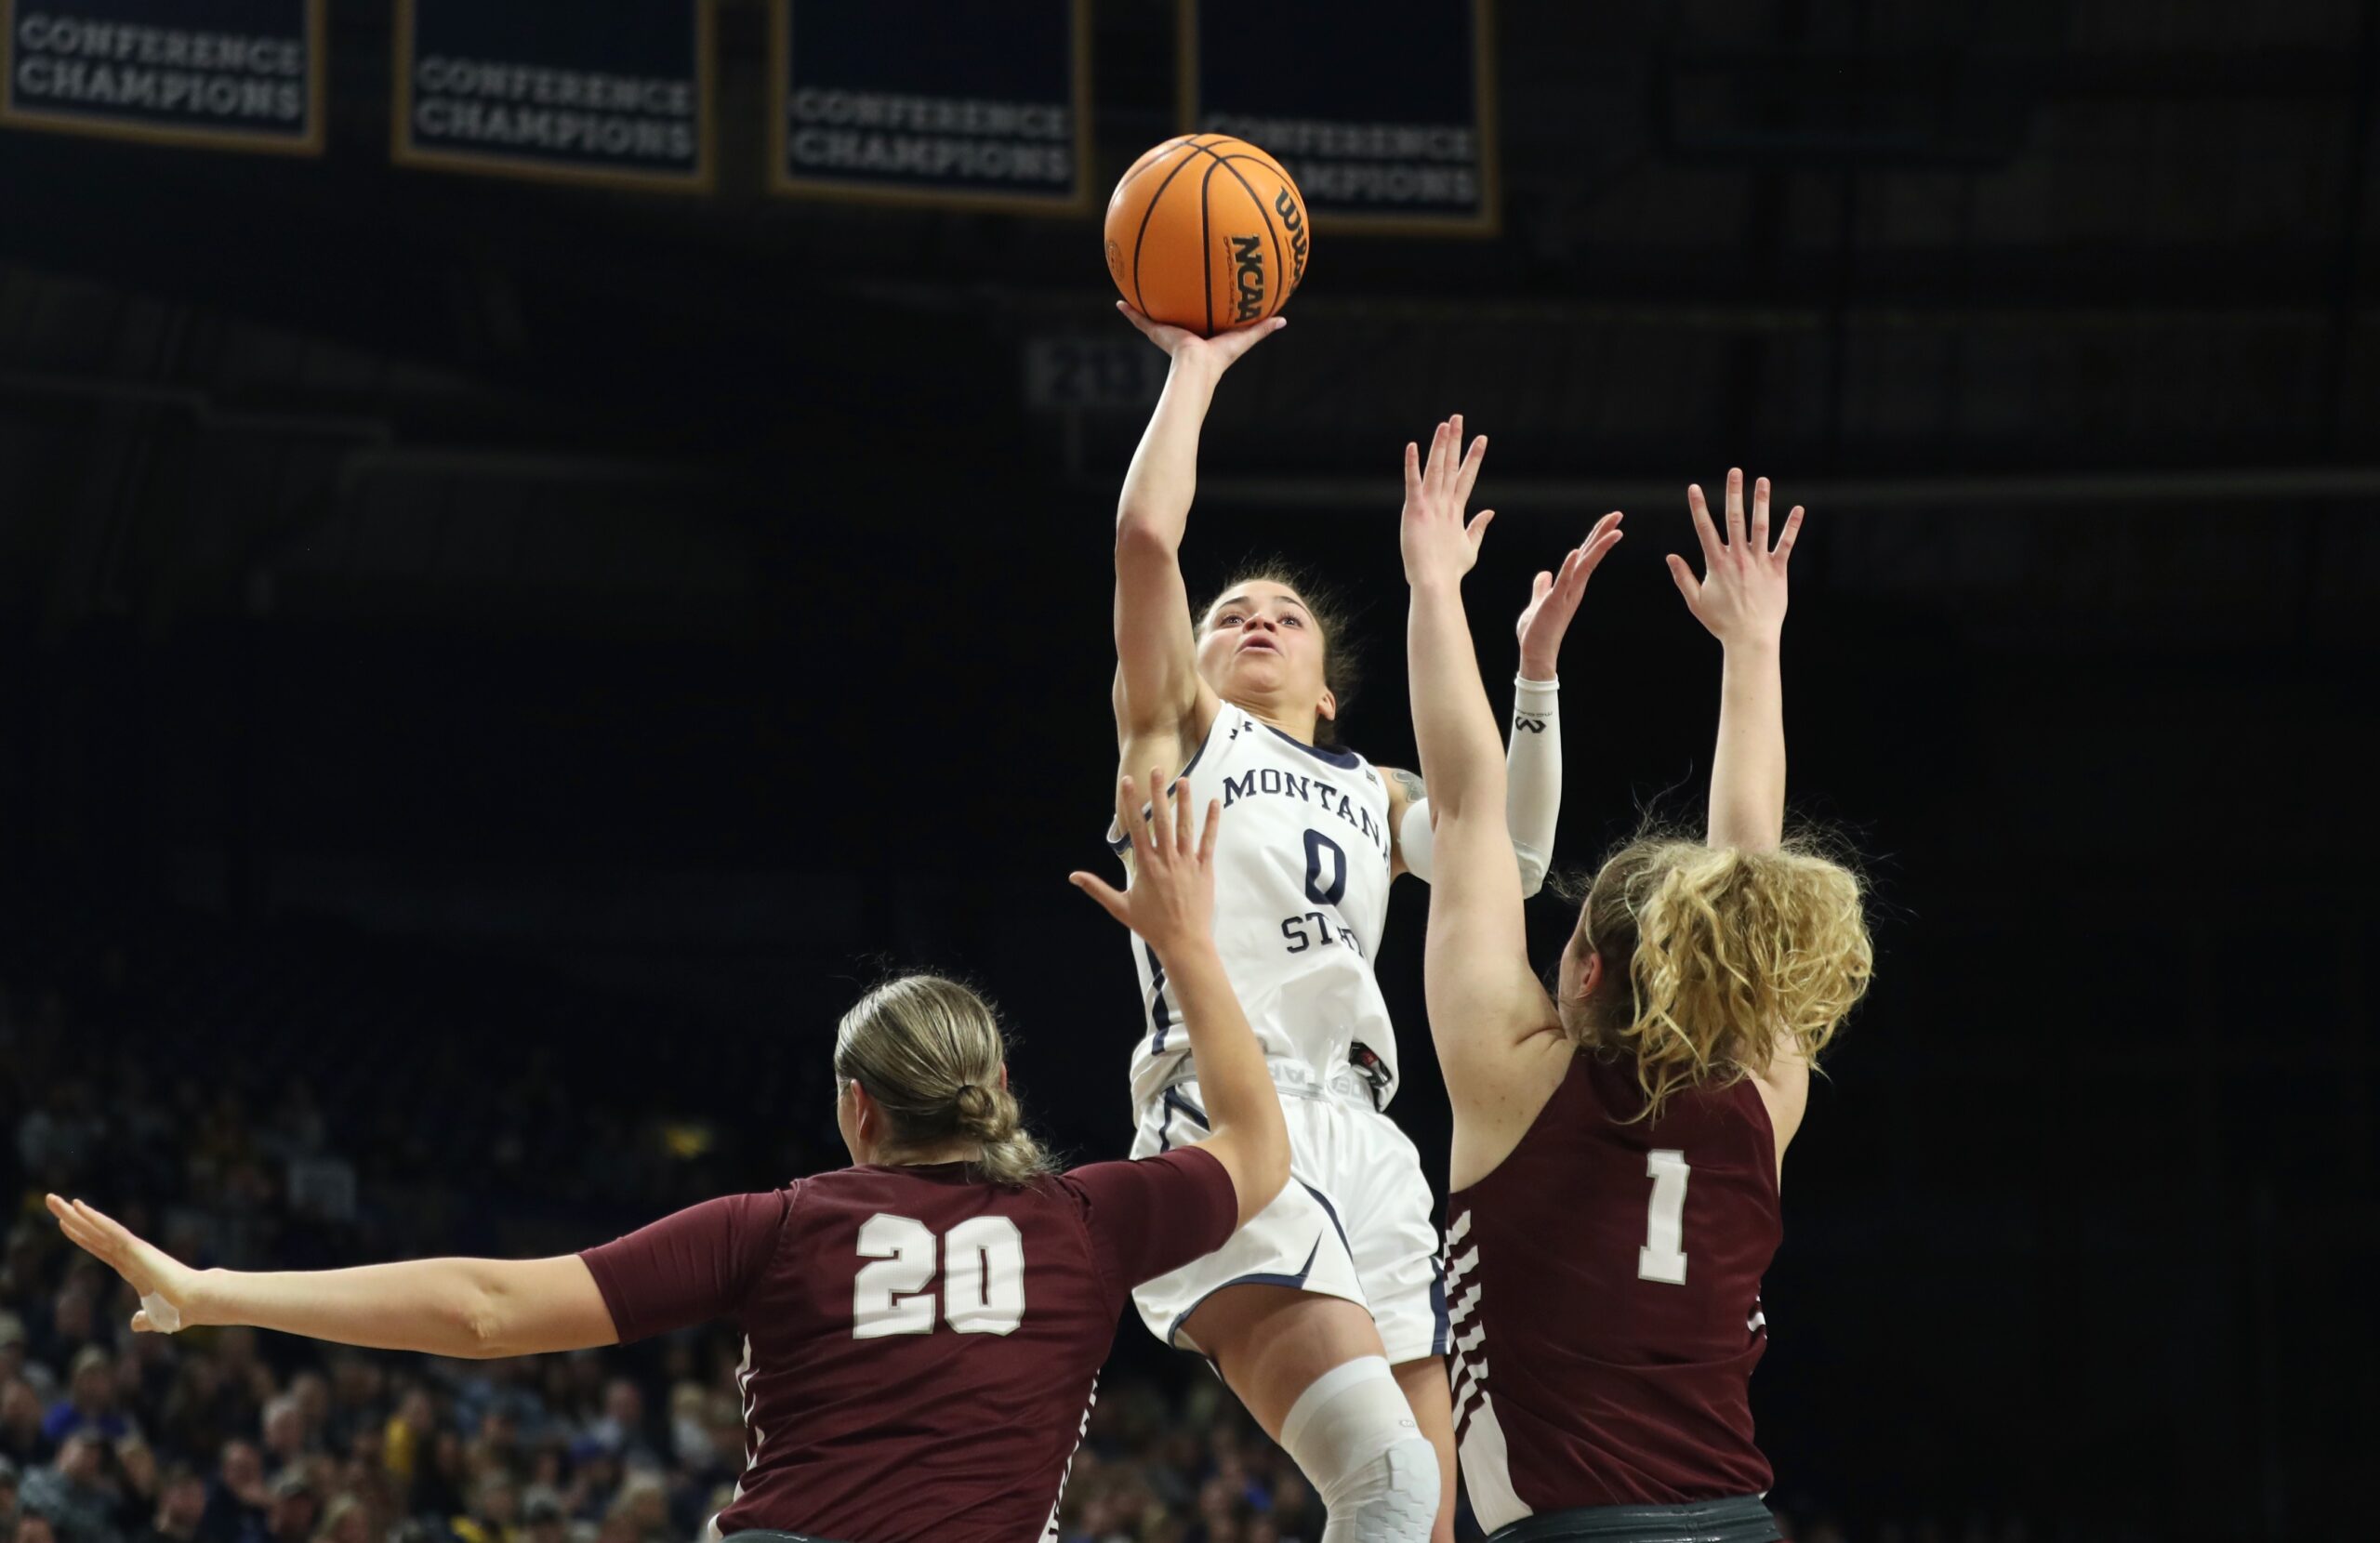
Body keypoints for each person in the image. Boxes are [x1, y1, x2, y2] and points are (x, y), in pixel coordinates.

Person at [48, 777, 1289, 1543]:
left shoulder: (780, 1224)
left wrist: (214, 1292)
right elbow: (1258, 1146)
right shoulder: (1091, 1220)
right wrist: (1184, 942)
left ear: (858, 1112)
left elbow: (485, 1308)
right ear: (1002, 1088)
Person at [1110, 300, 1594, 1541]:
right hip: (1230, 1109)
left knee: (1427, 1520)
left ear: (1329, 687)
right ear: (1193, 660)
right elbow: (1149, 541)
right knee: (1382, 1482)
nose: (1257, 617)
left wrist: (1532, 676)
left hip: (1368, 1138)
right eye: (1231, 615)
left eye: (1287, 614)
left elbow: (1516, 853)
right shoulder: (1176, 739)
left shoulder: (1371, 790)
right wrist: (1197, 373)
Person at [1400, 449, 1875, 1542]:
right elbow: (1746, 866)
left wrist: (1438, 592)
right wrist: (1753, 647)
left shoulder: (1513, 1080)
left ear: (1586, 970)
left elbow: (1471, 812)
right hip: (1741, 1520)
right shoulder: (1761, 1095)